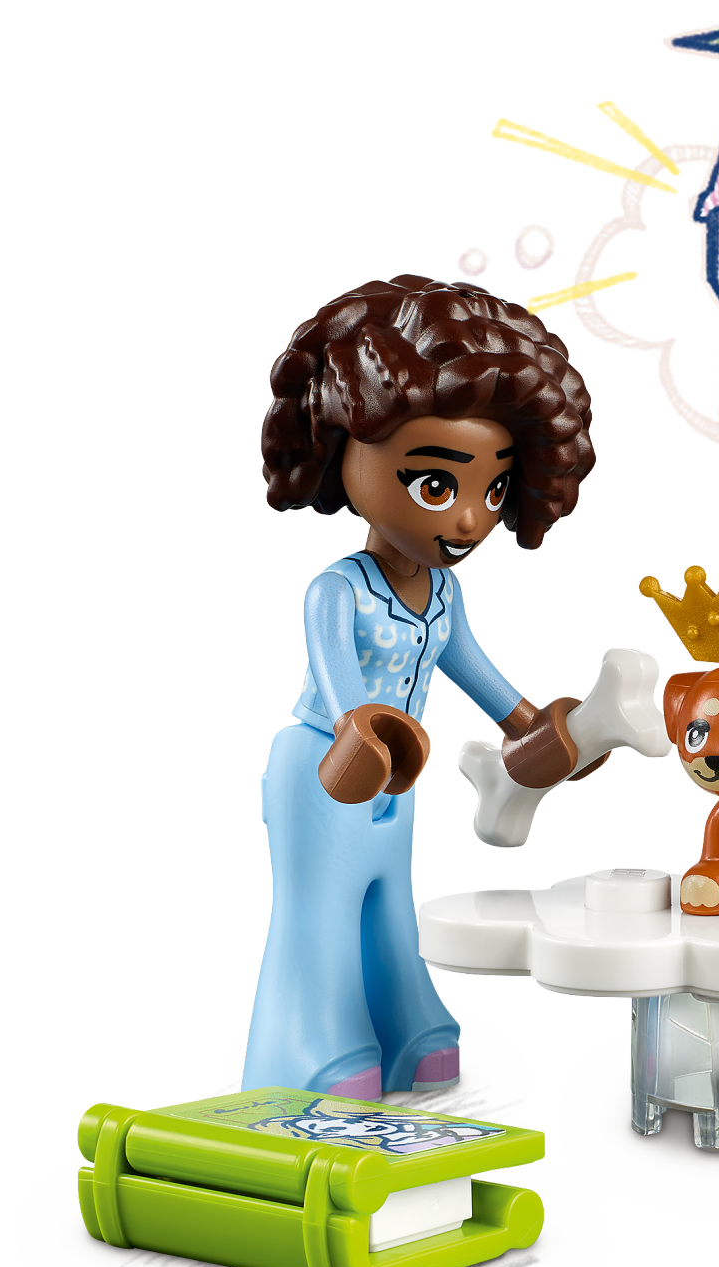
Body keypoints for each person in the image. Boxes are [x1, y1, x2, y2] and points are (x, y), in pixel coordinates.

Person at [243, 274, 598, 1097]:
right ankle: (314, 1044)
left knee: (387, 903)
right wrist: (360, 732)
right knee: (320, 910)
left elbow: (475, 671)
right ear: (346, 456)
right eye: (436, 485)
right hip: (326, 767)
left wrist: (537, 726)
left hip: (397, 774)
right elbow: (341, 694)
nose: (470, 519)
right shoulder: (337, 590)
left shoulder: (444, 593)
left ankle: (408, 1025)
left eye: (493, 489)